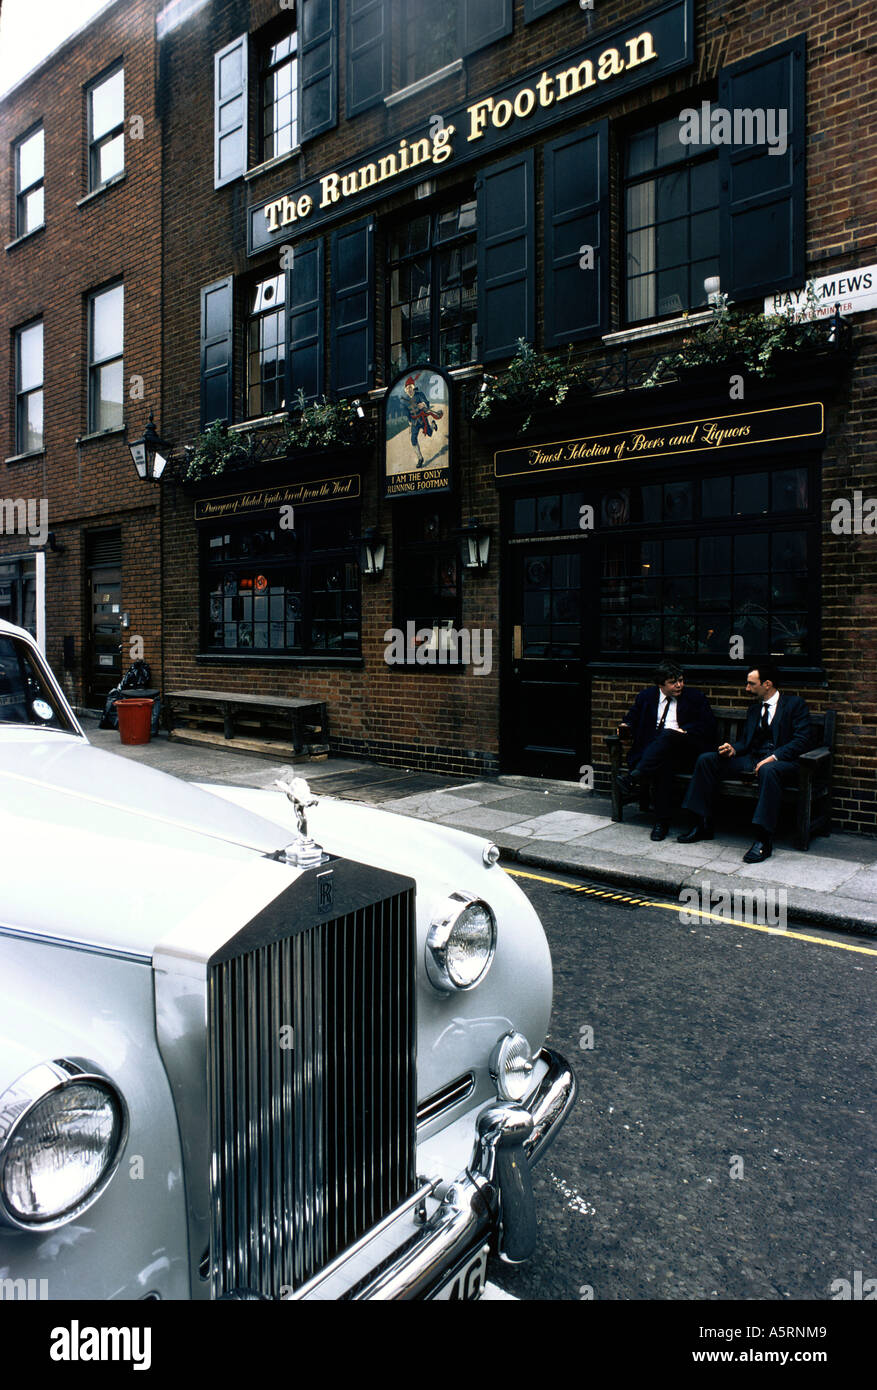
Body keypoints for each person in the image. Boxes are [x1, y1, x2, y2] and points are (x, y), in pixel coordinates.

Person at [677, 661, 812, 862]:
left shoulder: (794, 705)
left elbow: (801, 741)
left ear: (767, 684)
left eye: (751, 684)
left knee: (768, 770)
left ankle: (763, 839)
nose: (747, 688)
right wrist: (733, 749)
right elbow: (746, 741)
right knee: (707, 760)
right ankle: (702, 824)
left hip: (783, 762)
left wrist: (773, 758)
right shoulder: (754, 709)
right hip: (753, 759)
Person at [616, 661, 717, 841]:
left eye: (681, 680)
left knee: (668, 734)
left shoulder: (695, 697)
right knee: (663, 765)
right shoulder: (646, 697)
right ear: (660, 684)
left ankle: (634, 777)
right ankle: (661, 823)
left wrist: (685, 731)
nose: (679, 685)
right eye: (673, 682)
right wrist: (625, 726)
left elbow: (708, 725)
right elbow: (631, 717)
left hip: (685, 750)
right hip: (656, 755)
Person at [402, 374, 443, 467]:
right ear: (406, 390)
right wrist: (409, 422)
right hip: (414, 422)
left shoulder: (419, 395)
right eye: (407, 388)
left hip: (422, 419)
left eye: (410, 387)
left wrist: (423, 404)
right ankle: (420, 458)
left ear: (413, 387)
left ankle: (432, 425)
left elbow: (426, 402)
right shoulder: (405, 401)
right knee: (413, 439)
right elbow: (407, 413)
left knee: (429, 433)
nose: (409, 390)